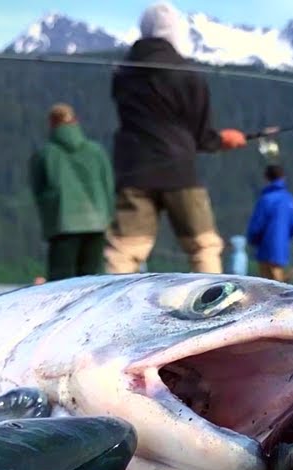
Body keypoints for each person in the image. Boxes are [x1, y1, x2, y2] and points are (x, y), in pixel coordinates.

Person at [105, 2, 247, 276]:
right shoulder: (188, 74)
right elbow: (202, 136)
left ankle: (114, 301)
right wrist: (225, 140)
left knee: (123, 251)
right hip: (178, 170)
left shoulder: (122, 74)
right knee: (203, 247)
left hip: (134, 169)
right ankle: (212, 300)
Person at [29, 103, 115, 281]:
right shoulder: (97, 152)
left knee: (61, 282)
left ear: (52, 123)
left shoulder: (45, 154)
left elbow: (38, 192)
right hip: (96, 224)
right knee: (94, 281)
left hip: (62, 224)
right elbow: (108, 187)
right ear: (75, 120)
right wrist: (107, 218)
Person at [245, 165, 293, 282]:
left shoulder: (266, 199)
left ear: (266, 178)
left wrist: (252, 240)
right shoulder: (289, 199)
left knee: (266, 284)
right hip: (282, 250)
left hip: (265, 249)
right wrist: (284, 239)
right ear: (283, 177)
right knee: (278, 281)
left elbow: (257, 225)